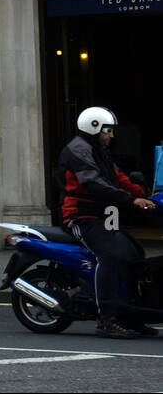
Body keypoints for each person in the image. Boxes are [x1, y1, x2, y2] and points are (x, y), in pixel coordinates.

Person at [60, 106, 159, 339]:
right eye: (108, 131)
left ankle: (131, 316)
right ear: (94, 128)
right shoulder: (78, 150)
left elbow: (118, 177)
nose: (111, 135)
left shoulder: (99, 149)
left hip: (103, 215)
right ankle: (107, 318)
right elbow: (95, 184)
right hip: (80, 216)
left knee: (133, 254)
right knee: (109, 256)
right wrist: (131, 199)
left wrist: (145, 193)